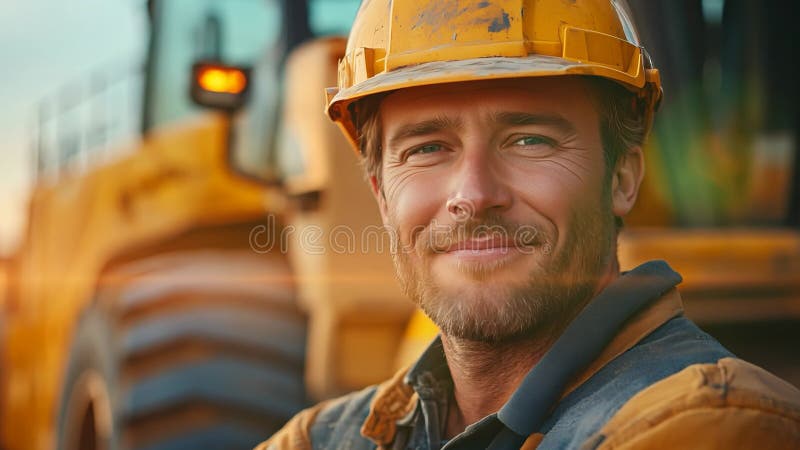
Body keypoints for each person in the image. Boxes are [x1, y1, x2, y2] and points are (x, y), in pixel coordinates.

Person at [257, 1, 800, 449]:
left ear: (622, 179)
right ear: (381, 195)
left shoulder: (710, 425)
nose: (474, 195)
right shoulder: (320, 438)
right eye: (427, 148)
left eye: (529, 140)